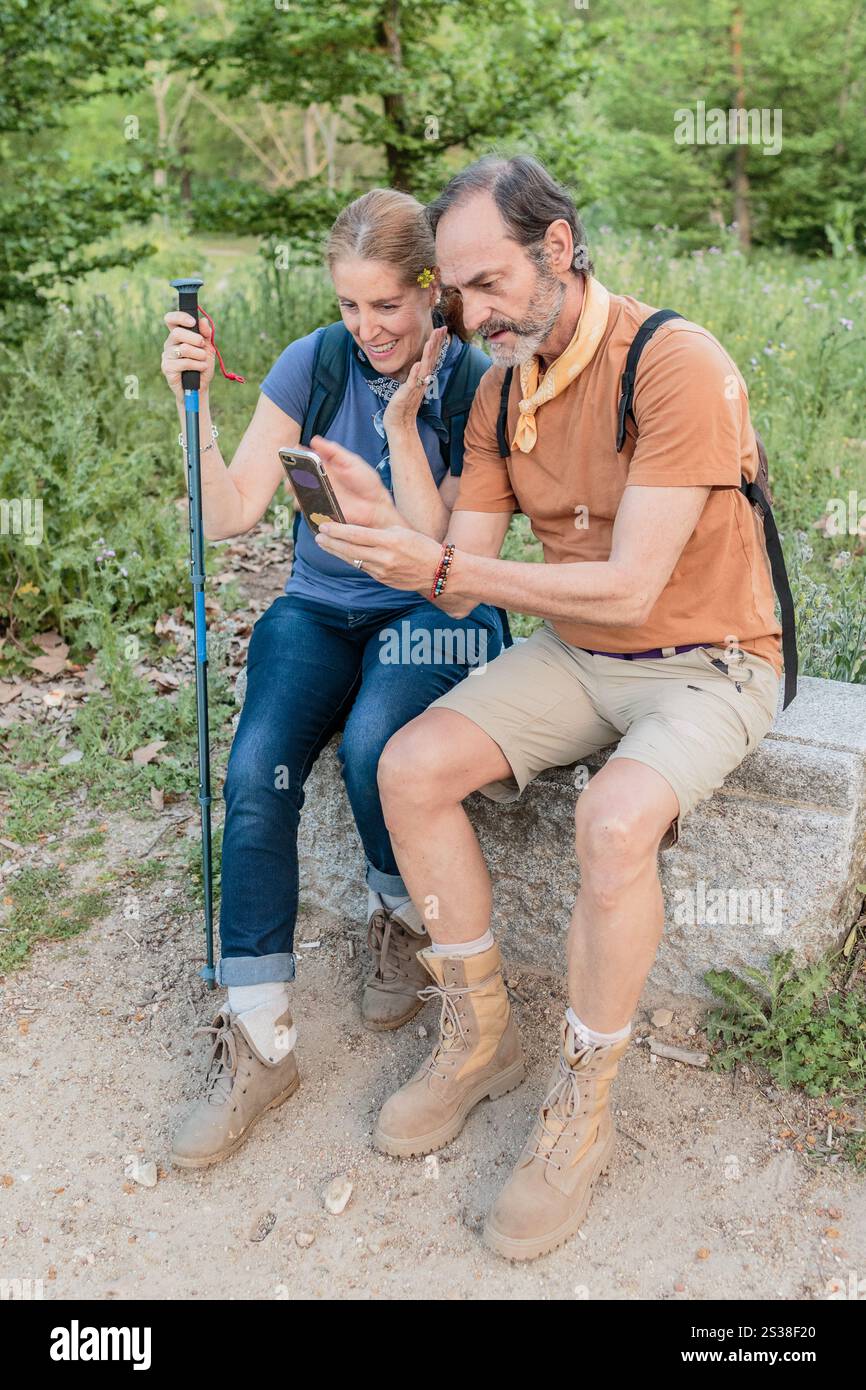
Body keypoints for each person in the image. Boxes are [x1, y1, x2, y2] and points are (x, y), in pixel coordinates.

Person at [312, 155, 785, 1260]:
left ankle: (582, 1098)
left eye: (487, 285)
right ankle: (479, 1038)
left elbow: (623, 584)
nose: (469, 315)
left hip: (706, 658)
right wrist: (392, 507)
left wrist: (440, 573)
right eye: (455, 293)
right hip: (578, 650)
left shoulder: (675, 363)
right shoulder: (494, 384)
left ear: (558, 247)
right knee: (408, 765)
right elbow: (460, 558)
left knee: (611, 821)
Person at [159, 188, 503, 1169]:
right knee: (257, 766)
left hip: (431, 613)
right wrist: (193, 405)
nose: (367, 328)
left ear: (429, 289)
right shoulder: (311, 361)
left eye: (386, 305)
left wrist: (398, 424)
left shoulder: (472, 380)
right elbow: (229, 515)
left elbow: (436, 557)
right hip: (320, 606)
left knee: (371, 748)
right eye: (351, 307)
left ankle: (399, 917)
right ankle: (258, 1037)